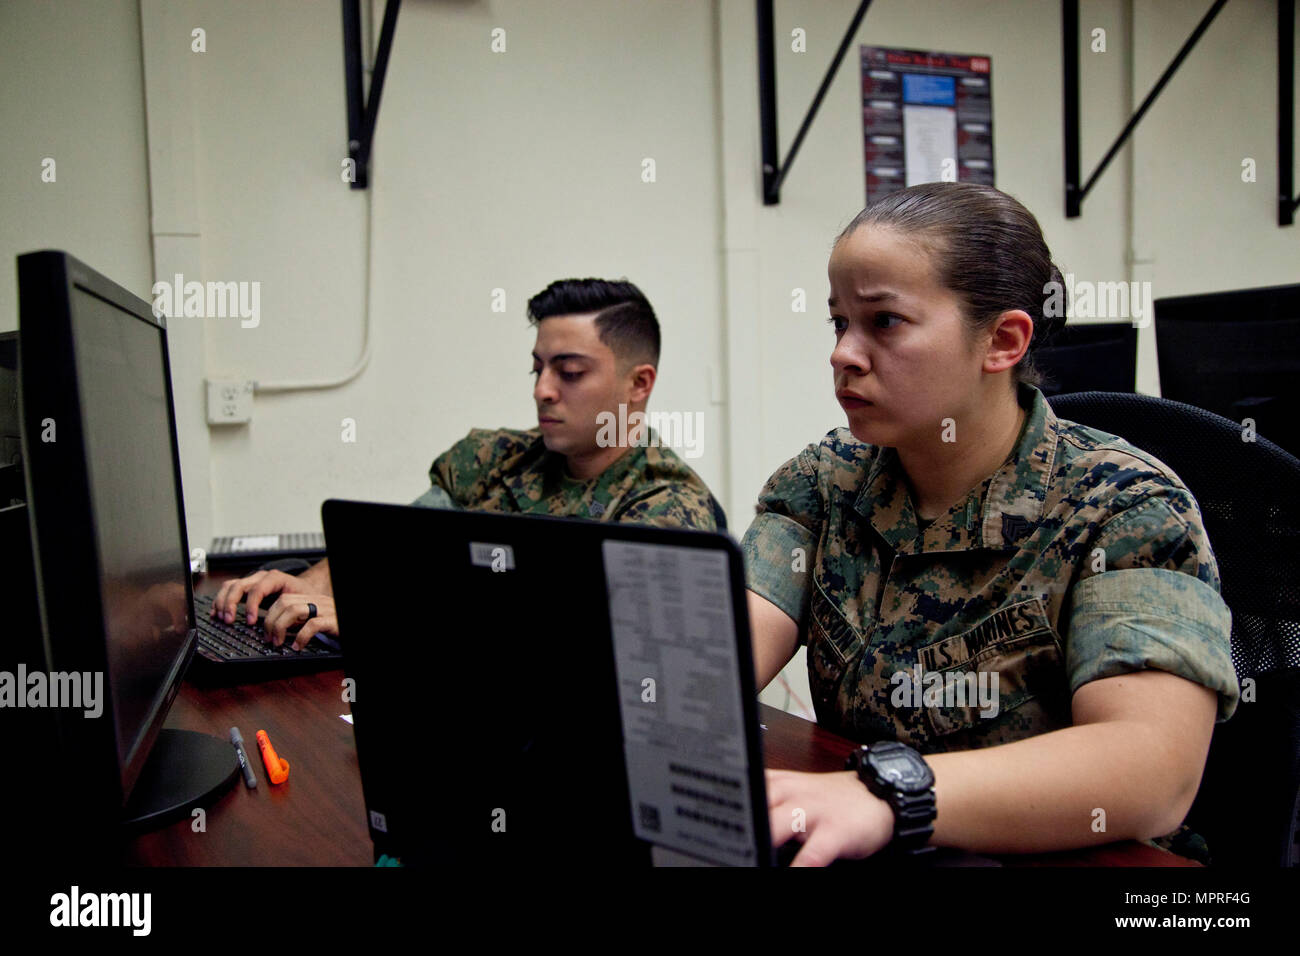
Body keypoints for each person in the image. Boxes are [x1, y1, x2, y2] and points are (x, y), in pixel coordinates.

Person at [744, 182, 1238, 866]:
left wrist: (891, 796)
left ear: (1002, 341)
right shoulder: (826, 480)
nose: (843, 355)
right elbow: (719, 651)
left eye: (883, 322)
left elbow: (1151, 770)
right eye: (839, 323)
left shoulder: (1123, 504)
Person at [212, 277, 719, 647]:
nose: (542, 390)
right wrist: (315, 582)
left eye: (568, 372)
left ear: (639, 383)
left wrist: (374, 619)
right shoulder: (493, 459)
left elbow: (578, 649)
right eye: (538, 368)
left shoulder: (668, 510)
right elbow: (399, 545)